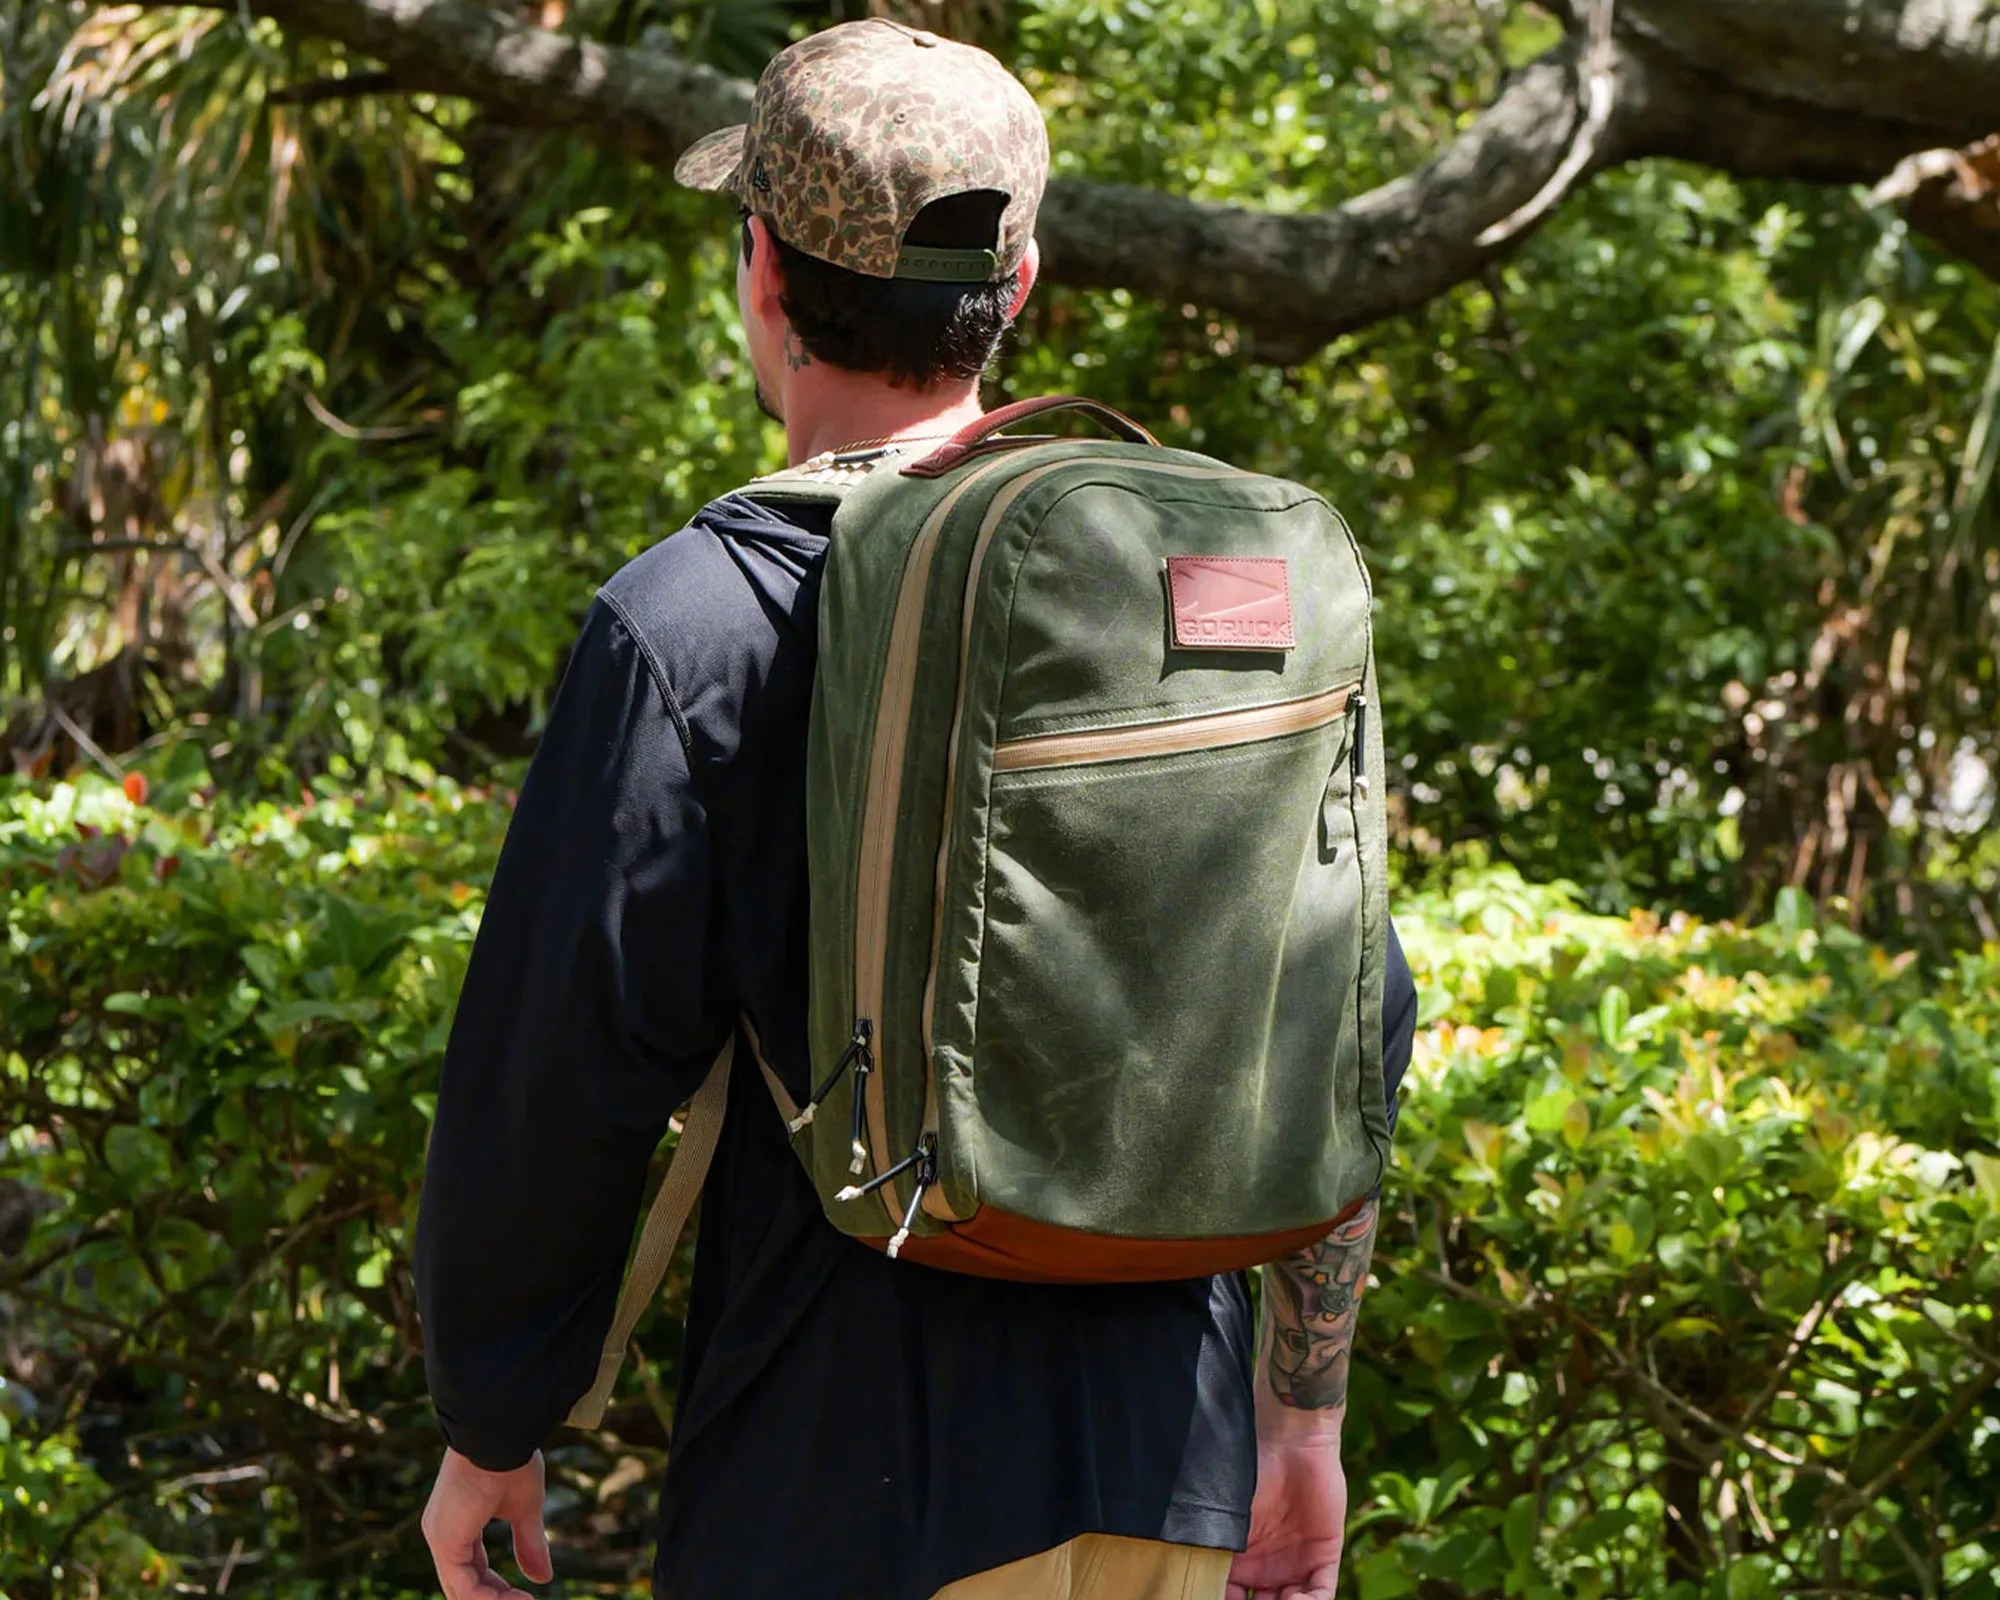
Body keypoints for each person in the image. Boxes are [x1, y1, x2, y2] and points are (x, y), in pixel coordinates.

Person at [413, 19, 1417, 1600]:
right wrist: (1303, 1425)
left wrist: (493, 1421)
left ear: (760, 268)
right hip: (1184, 1468)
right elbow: (1347, 1008)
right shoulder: (1193, 591)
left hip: (852, 1489)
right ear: (1017, 290)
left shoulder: (698, 620)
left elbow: (557, 1077)